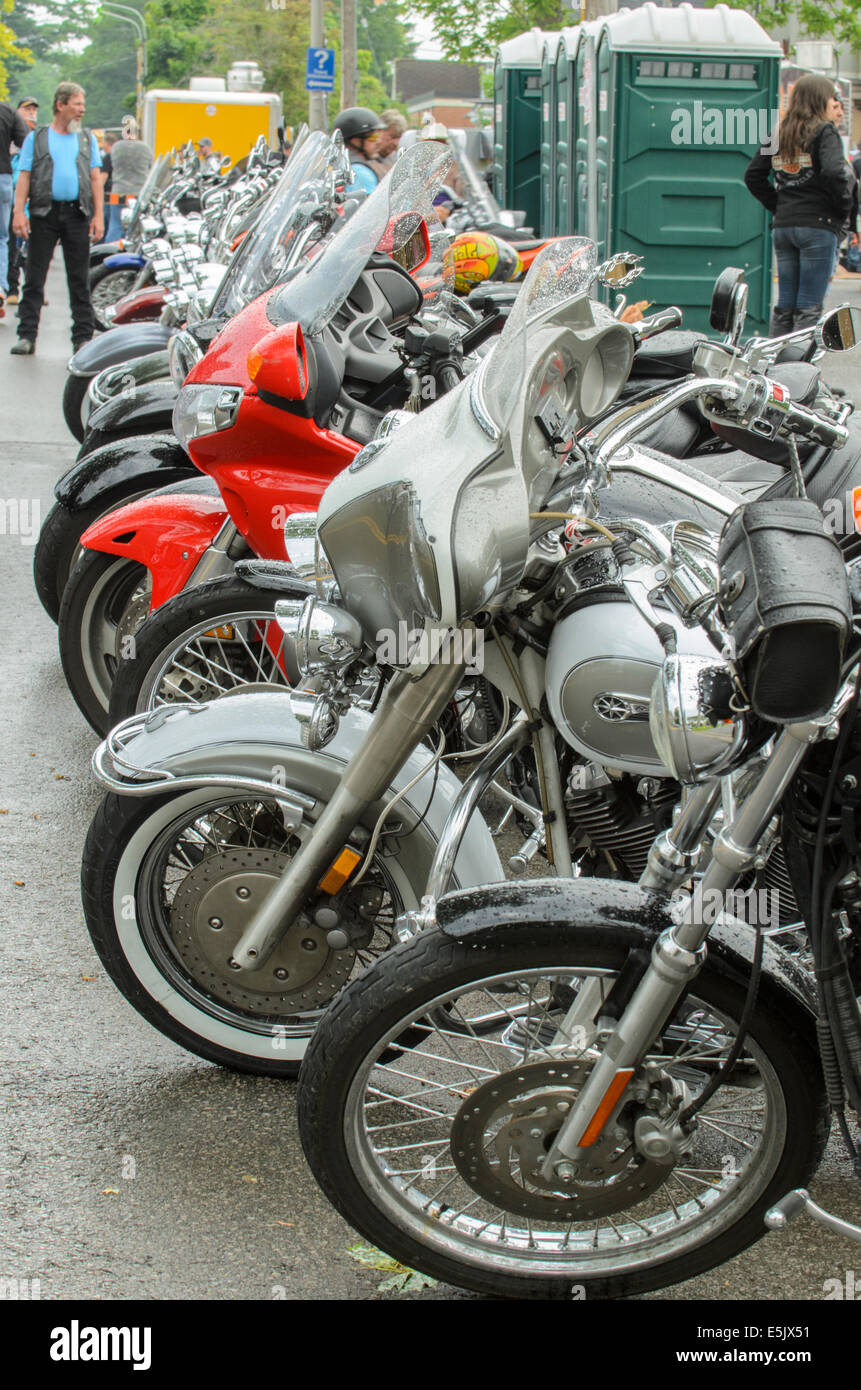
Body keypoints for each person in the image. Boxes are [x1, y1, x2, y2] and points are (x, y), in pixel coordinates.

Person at [744, 74, 851, 335]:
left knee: (786, 306)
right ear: (820, 100)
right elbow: (835, 173)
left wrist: (779, 206)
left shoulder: (779, 132)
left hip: (784, 226)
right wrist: (841, 208)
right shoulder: (825, 131)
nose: (833, 103)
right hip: (817, 225)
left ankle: (775, 365)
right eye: (831, 98)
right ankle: (799, 370)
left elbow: (753, 175)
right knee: (809, 307)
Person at [11, 81, 103, 355]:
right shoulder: (36, 138)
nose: (81, 110)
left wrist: (98, 215)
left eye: (82, 105)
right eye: (76, 104)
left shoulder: (86, 138)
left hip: (77, 214)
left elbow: (95, 177)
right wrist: (19, 212)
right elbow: (24, 175)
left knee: (79, 277)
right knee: (35, 276)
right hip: (44, 212)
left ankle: (82, 337)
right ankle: (27, 335)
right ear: (60, 105)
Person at [0, 97, 32, 319]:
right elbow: (28, 144)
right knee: (1, 238)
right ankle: (0, 288)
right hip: (3, 179)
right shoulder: (8, 112)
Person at [5, 97, 39, 307]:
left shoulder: (37, 137)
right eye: (27, 109)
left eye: (34, 109)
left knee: (32, 247)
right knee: (10, 244)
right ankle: (11, 288)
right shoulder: (10, 133)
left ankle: (35, 290)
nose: (31, 113)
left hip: (29, 199)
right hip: (11, 194)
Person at [105, 118, 152, 243]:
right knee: (137, 228)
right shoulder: (145, 148)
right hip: (138, 194)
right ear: (136, 132)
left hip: (118, 193)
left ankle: (111, 251)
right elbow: (150, 169)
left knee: (115, 225)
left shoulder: (116, 147)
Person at [332, 107, 385, 195]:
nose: (378, 141)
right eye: (373, 136)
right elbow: (374, 207)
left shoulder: (338, 163)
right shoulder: (359, 171)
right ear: (355, 140)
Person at [371, 109, 407, 176]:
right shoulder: (367, 155)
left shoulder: (397, 159)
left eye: (399, 138)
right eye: (392, 137)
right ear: (379, 131)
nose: (396, 143)